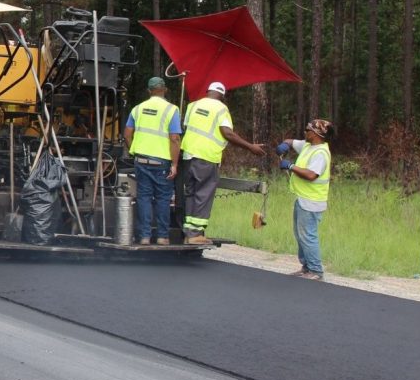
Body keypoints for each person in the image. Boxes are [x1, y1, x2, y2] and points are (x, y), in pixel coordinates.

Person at [179, 81, 266, 245]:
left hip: (188, 156)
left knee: (190, 194)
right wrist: (250, 147)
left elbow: (186, 127)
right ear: (222, 95)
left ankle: (188, 232)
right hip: (207, 156)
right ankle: (195, 234)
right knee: (203, 195)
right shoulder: (221, 109)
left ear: (208, 91)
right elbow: (227, 133)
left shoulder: (192, 106)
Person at [124, 76, 181, 245]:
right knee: (163, 198)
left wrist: (134, 150)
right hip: (161, 162)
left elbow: (127, 134)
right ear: (165, 90)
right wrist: (175, 164)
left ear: (149, 91)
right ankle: (162, 237)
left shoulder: (138, 109)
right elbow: (175, 138)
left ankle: (144, 237)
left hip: (141, 160)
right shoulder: (172, 110)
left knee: (144, 198)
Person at [277, 119, 334, 281]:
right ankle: (306, 267)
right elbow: (291, 142)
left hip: (312, 201)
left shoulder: (320, 154)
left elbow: (311, 175)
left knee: (308, 235)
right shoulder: (308, 145)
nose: (305, 132)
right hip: (302, 198)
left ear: (316, 134)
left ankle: (316, 270)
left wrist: (290, 166)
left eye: (307, 130)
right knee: (300, 234)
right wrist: (285, 145)